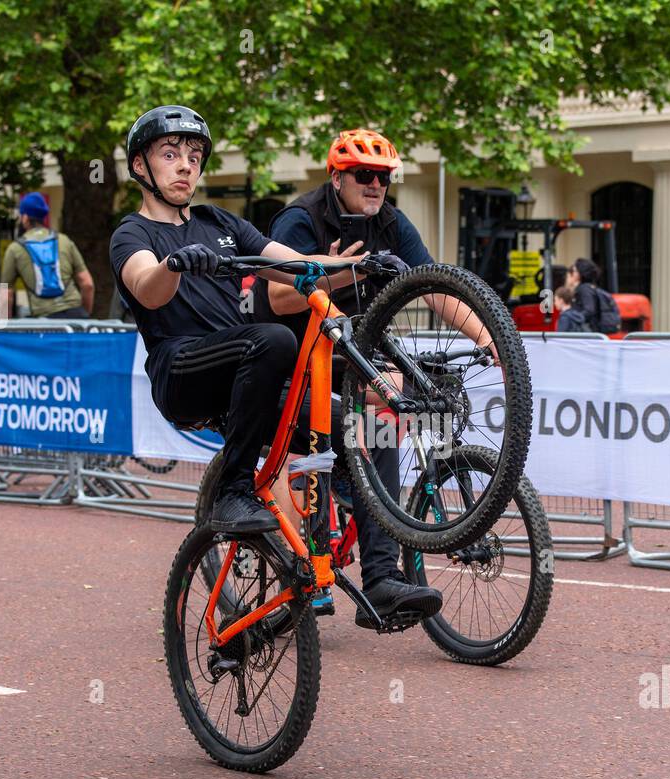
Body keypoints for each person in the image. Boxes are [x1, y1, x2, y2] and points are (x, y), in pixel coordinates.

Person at [109, 106, 442, 629]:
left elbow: (291, 262)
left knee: (367, 425)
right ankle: (234, 490)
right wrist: (175, 264)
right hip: (183, 372)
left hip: (249, 376)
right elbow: (146, 285)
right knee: (270, 338)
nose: (184, 168)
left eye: (193, 158)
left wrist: (359, 265)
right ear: (140, 167)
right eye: (170, 156)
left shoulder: (219, 222)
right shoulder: (131, 233)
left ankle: (380, 577)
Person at [254, 127, 454, 626]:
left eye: (384, 177)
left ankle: (381, 579)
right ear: (336, 176)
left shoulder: (391, 222)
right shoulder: (300, 219)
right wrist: (352, 268)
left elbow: (437, 289)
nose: (376, 185)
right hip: (283, 365)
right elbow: (280, 298)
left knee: (383, 416)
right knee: (339, 430)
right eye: (364, 175)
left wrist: (494, 337)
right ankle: (309, 560)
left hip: (347, 360)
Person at [1, 192, 95, 319]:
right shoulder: (64, 241)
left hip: (44, 322)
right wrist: (85, 314)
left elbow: (6, 295)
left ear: (25, 218)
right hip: (76, 315)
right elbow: (87, 284)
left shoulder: (15, 249)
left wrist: (4, 327)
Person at [563, 258, 621, 334]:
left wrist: (573, 316)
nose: (571, 274)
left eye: (573, 271)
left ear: (580, 273)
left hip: (588, 332)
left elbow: (589, 310)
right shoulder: (585, 288)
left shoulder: (585, 289)